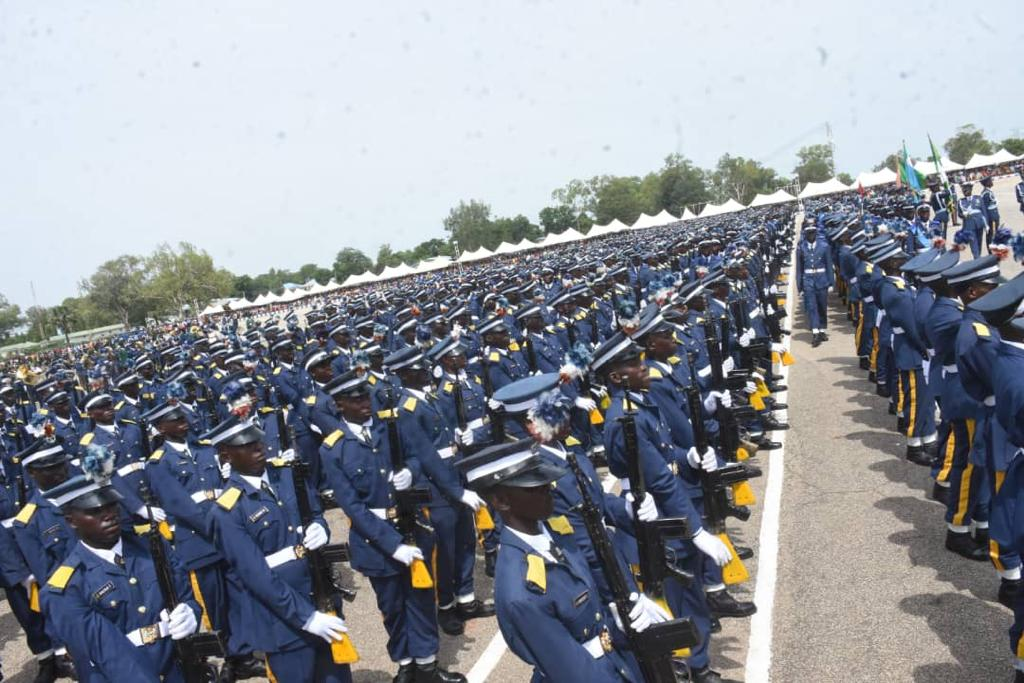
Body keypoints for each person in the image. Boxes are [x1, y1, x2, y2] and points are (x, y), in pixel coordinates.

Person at [457, 438, 662, 682]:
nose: (549, 490)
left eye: (546, 482)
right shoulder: (521, 592)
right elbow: (577, 674)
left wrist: (615, 620)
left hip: (614, 662)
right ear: (502, 502)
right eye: (535, 487)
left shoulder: (556, 532)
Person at [318, 369, 467, 683]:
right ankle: (405, 663)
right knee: (392, 607)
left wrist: (411, 471)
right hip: (376, 541)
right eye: (355, 399)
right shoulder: (333, 448)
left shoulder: (392, 426)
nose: (364, 403)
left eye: (364, 396)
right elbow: (353, 507)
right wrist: (392, 545)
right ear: (339, 405)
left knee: (421, 600)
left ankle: (427, 665)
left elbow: (416, 455)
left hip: (412, 525)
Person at [40, 450, 202, 682]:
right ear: (70, 521)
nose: (109, 515)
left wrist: (191, 614)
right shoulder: (66, 587)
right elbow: (108, 654)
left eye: (111, 506)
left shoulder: (152, 546)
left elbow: (184, 595)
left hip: (177, 665)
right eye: (94, 511)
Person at [795, 223, 834, 346]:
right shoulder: (801, 248)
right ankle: (815, 332)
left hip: (821, 279)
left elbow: (829, 265)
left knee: (822, 306)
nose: (811, 235)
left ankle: (822, 329)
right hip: (808, 281)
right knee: (812, 307)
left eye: (813, 233)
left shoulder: (824, 246)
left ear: (816, 233)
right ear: (805, 234)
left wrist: (831, 282)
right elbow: (799, 269)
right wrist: (800, 286)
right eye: (808, 233)